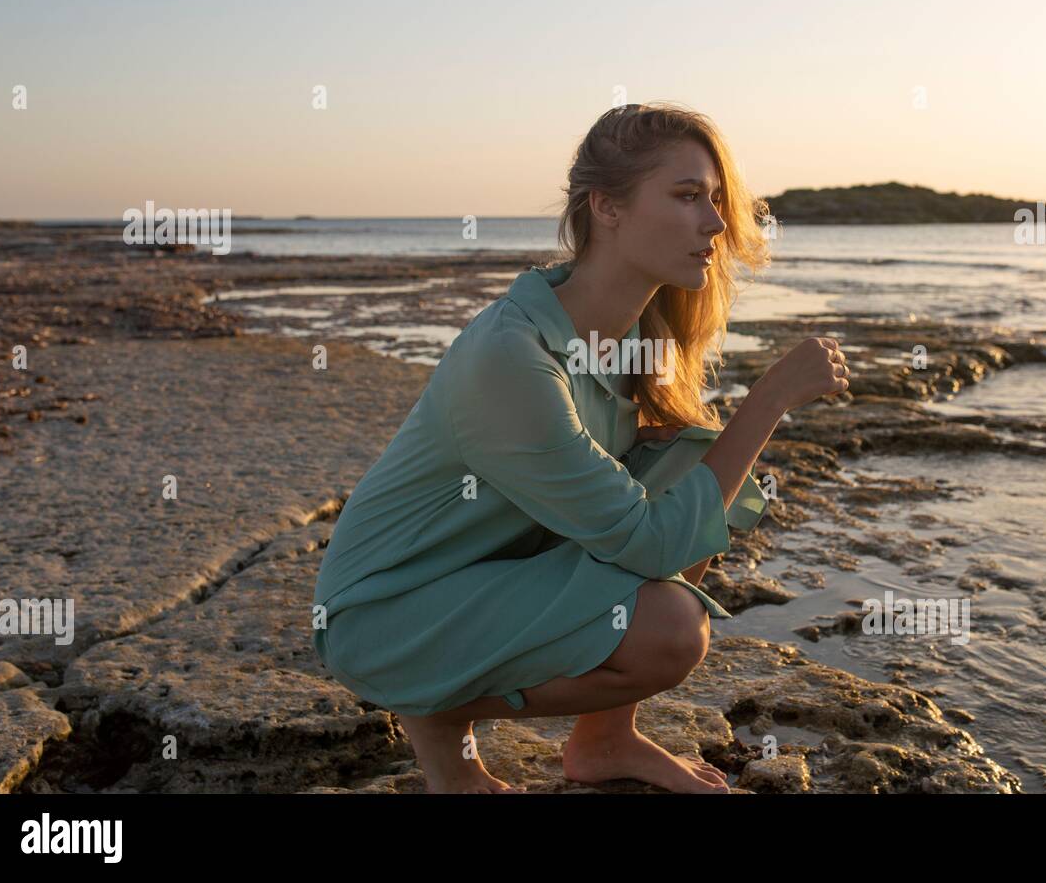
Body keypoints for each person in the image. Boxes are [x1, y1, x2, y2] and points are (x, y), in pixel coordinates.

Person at [311, 102, 851, 794]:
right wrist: (770, 399)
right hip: (387, 614)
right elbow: (648, 544)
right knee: (670, 629)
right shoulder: (512, 355)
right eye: (687, 197)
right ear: (608, 207)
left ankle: (604, 742)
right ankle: (443, 737)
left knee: (693, 462)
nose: (716, 223)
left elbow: (665, 499)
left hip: (478, 579)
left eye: (716, 200)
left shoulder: (631, 334)